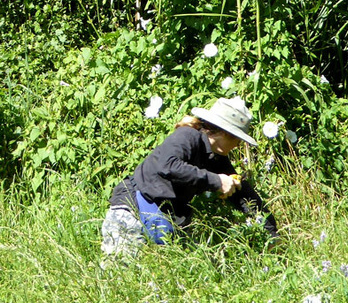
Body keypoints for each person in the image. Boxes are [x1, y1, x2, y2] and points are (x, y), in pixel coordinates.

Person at [101, 96, 278, 259]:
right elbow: (168, 165)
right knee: (119, 271)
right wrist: (216, 181)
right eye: (237, 139)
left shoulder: (215, 158)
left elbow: (242, 193)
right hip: (132, 210)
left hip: (163, 221)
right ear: (224, 133)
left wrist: (272, 233)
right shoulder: (187, 136)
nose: (238, 145)